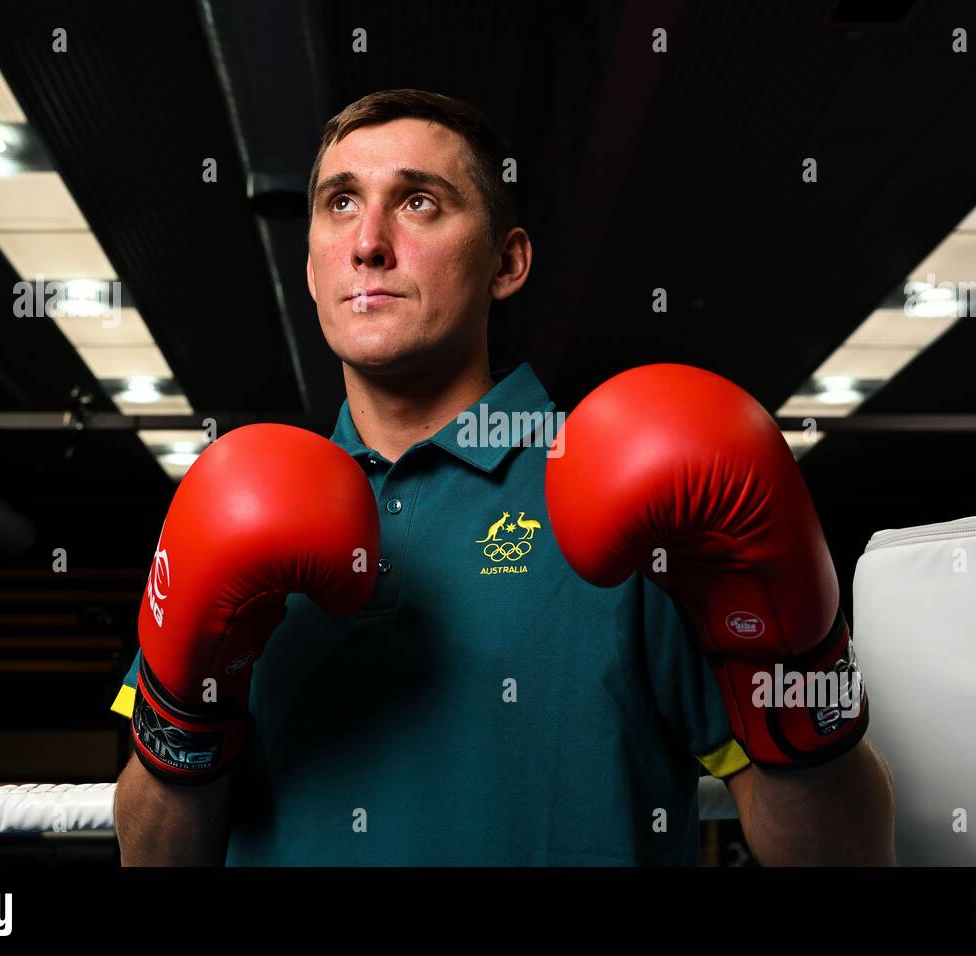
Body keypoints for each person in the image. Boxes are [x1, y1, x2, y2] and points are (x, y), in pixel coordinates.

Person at [110, 88, 895, 866]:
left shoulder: (638, 490)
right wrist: (187, 717)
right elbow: (153, 859)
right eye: (340, 203)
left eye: (418, 202)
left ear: (508, 263)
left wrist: (799, 673)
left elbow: (843, 857)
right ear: (312, 270)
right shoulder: (241, 501)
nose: (368, 242)